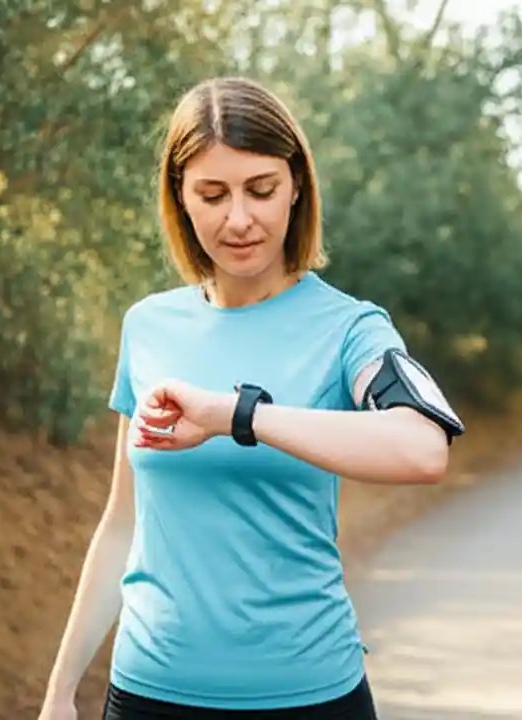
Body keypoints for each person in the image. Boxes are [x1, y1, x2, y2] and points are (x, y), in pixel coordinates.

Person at [37, 76, 465, 720]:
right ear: (180, 199)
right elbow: (124, 524)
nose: (239, 219)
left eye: (261, 189)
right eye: (212, 194)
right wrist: (60, 692)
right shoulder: (148, 326)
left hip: (311, 697)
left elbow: (423, 449)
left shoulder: (350, 328)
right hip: (149, 695)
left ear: (296, 186)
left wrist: (238, 416)